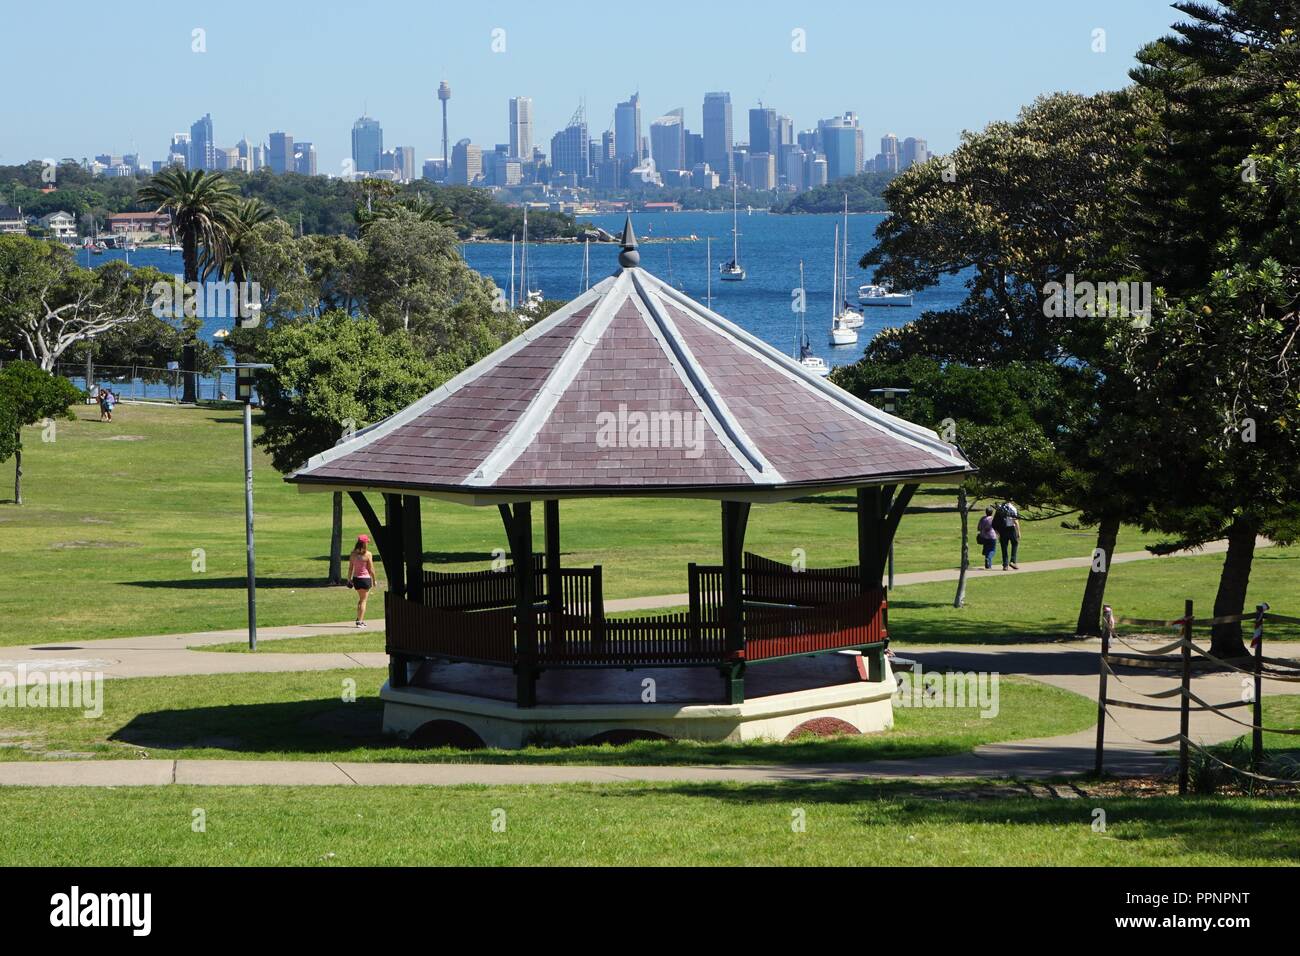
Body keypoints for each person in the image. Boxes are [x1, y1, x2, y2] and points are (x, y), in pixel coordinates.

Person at [347, 534, 377, 627]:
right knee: (363, 601)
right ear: (365, 543)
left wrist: (349, 579)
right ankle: (360, 622)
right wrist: (374, 580)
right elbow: (371, 569)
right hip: (365, 579)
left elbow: (350, 568)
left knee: (361, 600)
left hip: (356, 579)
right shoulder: (368, 554)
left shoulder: (353, 554)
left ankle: (359, 618)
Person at [997, 500, 1021, 570]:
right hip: (1011, 529)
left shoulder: (1000, 508)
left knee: (1004, 547)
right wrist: (1018, 531)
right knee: (1015, 543)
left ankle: (1005, 565)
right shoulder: (1013, 508)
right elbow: (1015, 521)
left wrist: (998, 532)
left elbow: (997, 521)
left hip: (1002, 529)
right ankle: (1013, 561)